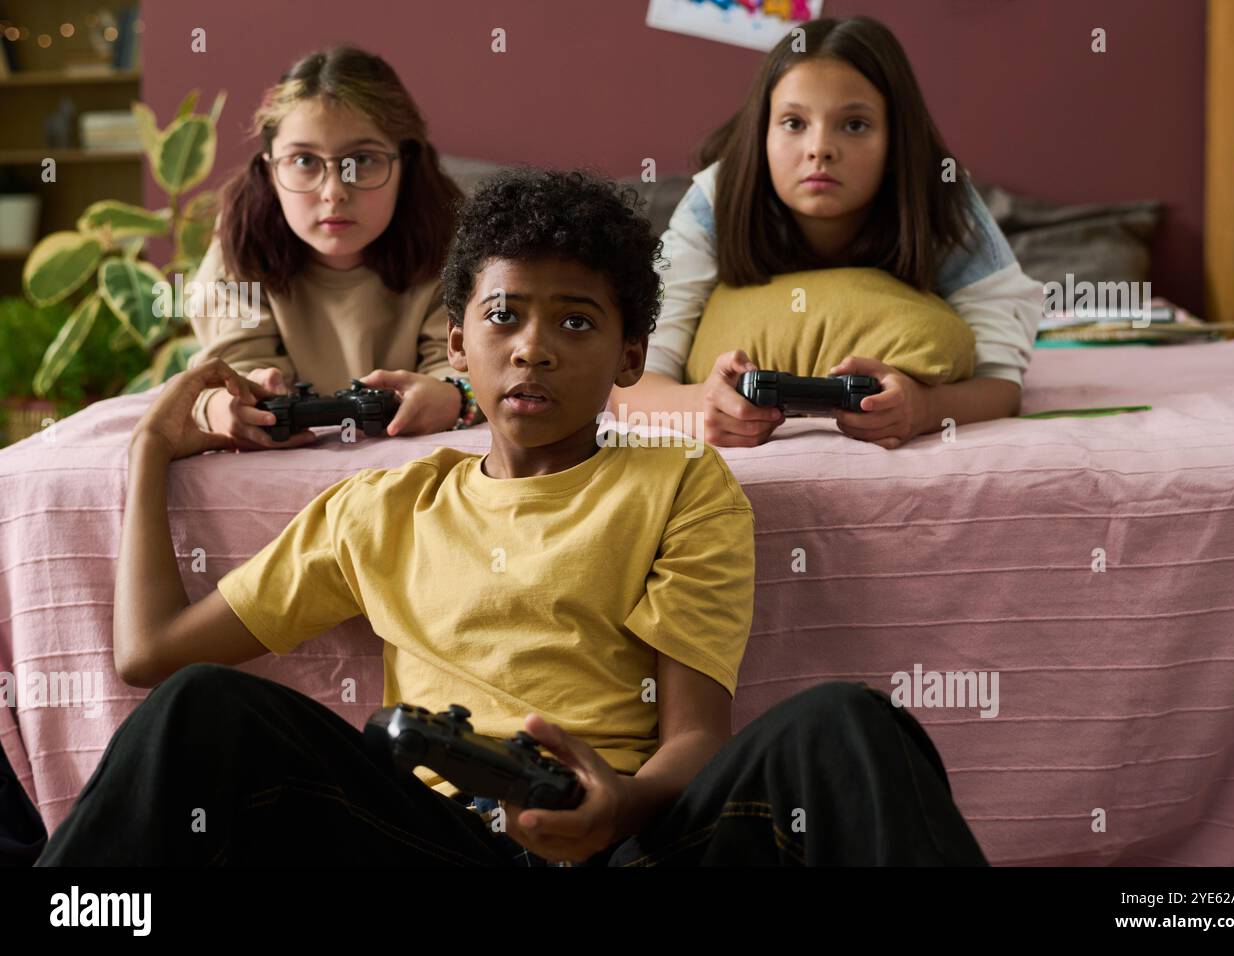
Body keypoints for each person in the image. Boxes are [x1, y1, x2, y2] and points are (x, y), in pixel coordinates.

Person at [37, 169, 987, 867]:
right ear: (458, 343)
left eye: (575, 322)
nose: (533, 349)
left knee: (848, 725)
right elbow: (152, 652)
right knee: (199, 710)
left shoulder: (681, 484)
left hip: (629, 838)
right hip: (430, 842)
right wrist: (148, 453)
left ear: (627, 356)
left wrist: (618, 805)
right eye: (504, 318)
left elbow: (696, 733)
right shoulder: (383, 506)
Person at [611, 16, 1041, 450]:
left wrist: (926, 408)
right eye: (794, 123)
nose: (820, 148)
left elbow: (1002, 384)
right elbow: (632, 387)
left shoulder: (941, 197)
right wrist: (699, 408)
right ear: (761, 134)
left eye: (854, 125)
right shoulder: (716, 199)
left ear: (895, 141)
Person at [185, 46, 480, 450]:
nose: (334, 192)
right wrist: (227, 404)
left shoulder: (454, 244)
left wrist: (449, 396)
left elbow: (468, 368)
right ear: (270, 170)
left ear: (405, 164)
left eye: (362, 159)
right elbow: (230, 370)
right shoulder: (237, 248)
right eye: (304, 160)